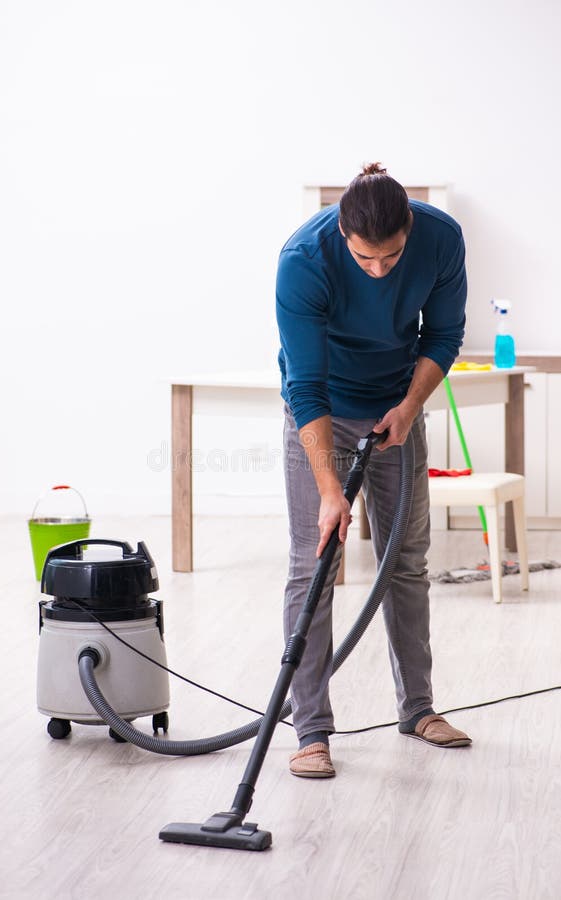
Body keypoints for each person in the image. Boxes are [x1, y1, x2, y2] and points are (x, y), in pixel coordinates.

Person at [276, 163, 471, 778]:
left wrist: (409, 408)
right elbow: (305, 385)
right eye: (365, 258)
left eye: (392, 257)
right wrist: (329, 490)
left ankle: (418, 709)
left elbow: (444, 333)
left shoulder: (441, 238)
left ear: (409, 226)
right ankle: (311, 731)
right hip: (322, 411)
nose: (380, 270)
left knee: (404, 561)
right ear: (342, 232)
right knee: (314, 564)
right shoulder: (303, 260)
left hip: (396, 407)